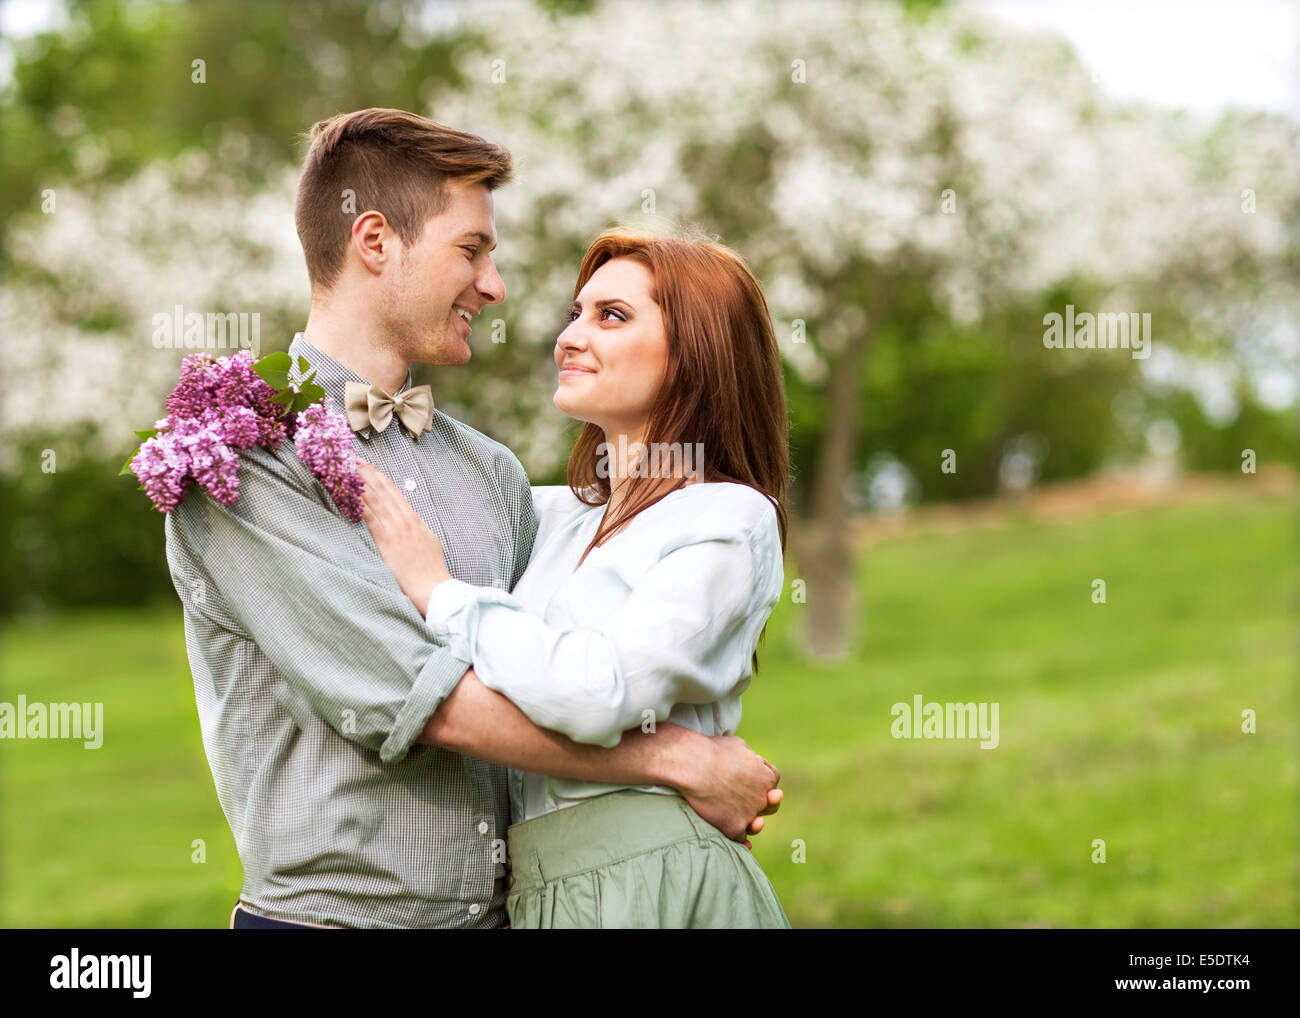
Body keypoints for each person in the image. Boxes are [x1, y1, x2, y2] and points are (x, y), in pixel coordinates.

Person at [163, 108, 781, 930]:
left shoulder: (489, 471)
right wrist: (680, 761)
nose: (494, 285)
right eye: (472, 250)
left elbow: (566, 645)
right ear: (375, 241)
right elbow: (419, 700)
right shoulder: (243, 460)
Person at [356, 226, 793, 928]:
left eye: (611, 316)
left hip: (654, 880)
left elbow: (598, 691)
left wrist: (443, 595)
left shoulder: (728, 519)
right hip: (539, 889)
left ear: (697, 353)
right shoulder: (551, 515)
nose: (570, 337)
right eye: (575, 313)